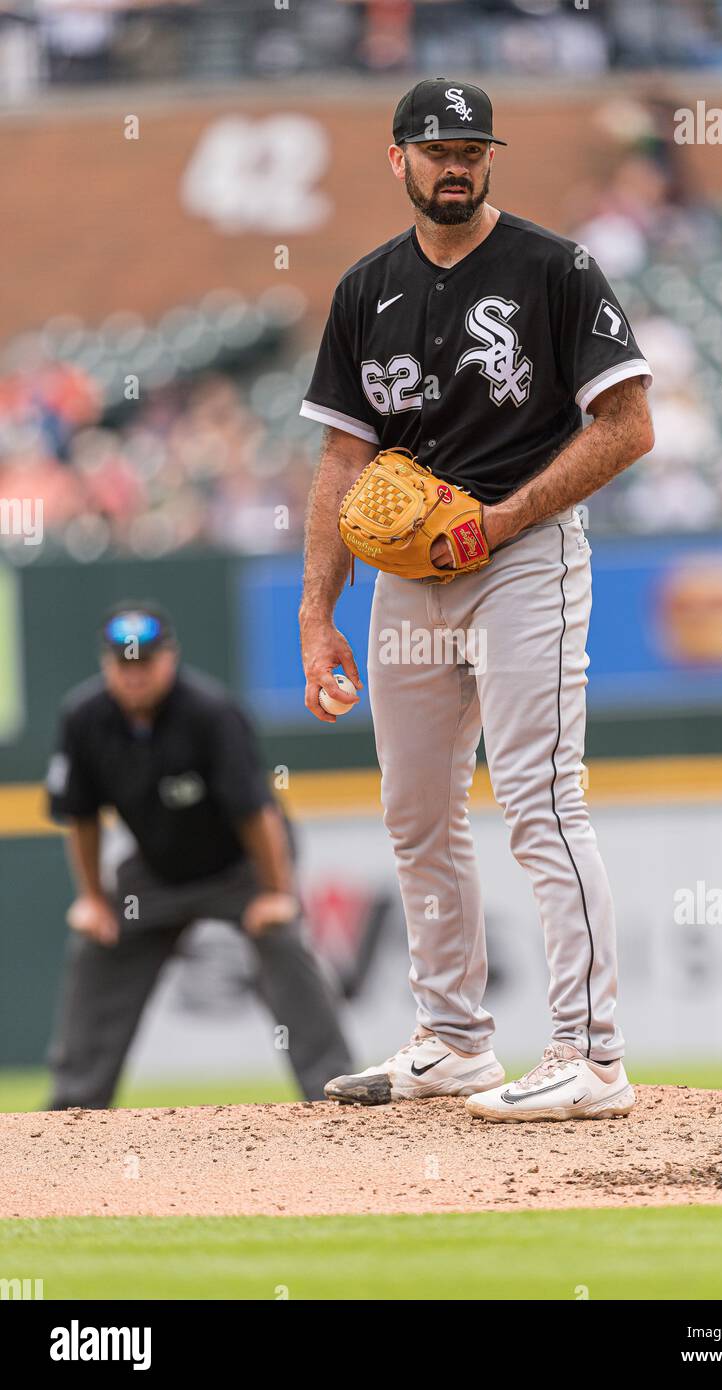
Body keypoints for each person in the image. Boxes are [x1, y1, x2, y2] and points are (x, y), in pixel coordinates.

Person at [298, 79, 654, 1122]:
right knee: (415, 811)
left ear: (490, 158)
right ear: (397, 158)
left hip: (522, 560)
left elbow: (629, 425)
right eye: (435, 147)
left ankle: (591, 1054)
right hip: (409, 581)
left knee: (540, 798)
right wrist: (318, 613)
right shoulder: (365, 289)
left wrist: (500, 520)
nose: (454, 164)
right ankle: (454, 1039)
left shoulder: (554, 267)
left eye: (471, 148)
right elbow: (341, 459)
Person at [44, 600, 353, 1108]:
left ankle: (331, 1091)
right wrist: (94, 899)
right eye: (123, 664)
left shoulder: (210, 712)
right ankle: (72, 1106)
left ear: (170, 659)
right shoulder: (84, 717)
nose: (134, 674)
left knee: (279, 937)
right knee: (99, 943)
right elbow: (80, 816)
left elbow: (257, 812)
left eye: (145, 662)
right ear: (107, 665)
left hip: (242, 865)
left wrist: (277, 893)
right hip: (157, 871)